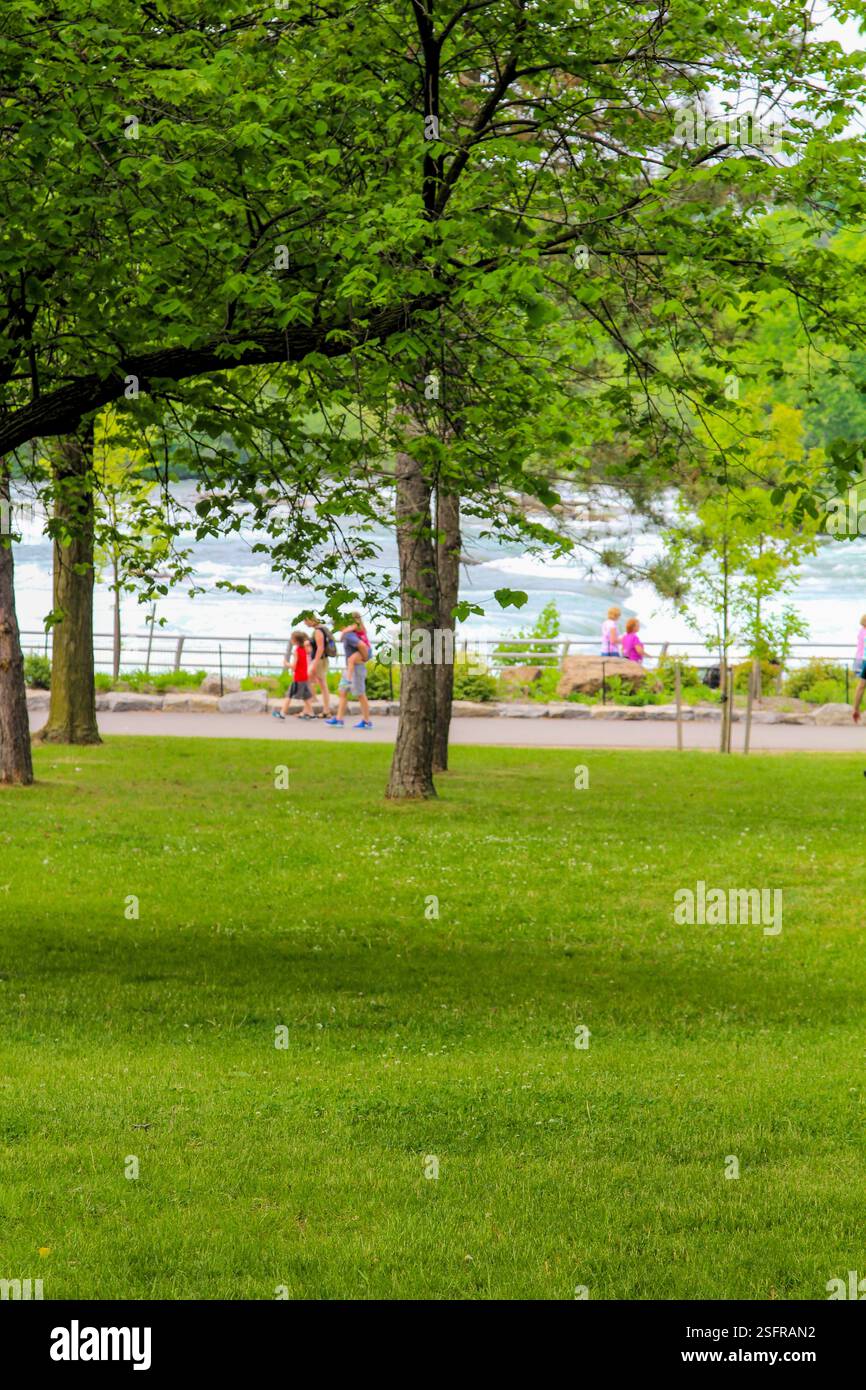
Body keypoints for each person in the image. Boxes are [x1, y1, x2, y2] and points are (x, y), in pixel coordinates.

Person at [325, 614, 372, 729]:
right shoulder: (348, 633)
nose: (334, 627)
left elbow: (361, 645)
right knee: (343, 692)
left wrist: (365, 658)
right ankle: (339, 719)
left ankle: (366, 721)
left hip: (356, 669)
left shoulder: (348, 635)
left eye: (334, 625)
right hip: (349, 669)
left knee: (360, 694)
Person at [273, 631, 315, 720]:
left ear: (295, 641)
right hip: (304, 676)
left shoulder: (297, 651)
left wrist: (286, 663)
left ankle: (282, 713)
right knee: (306, 697)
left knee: (289, 695)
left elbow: (294, 667)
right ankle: (311, 714)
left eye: (292, 639)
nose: (291, 640)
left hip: (298, 677)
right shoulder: (304, 649)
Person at [301, 611, 333, 719]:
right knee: (319, 684)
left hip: (318, 661)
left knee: (311, 682)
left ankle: (310, 710)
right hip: (320, 660)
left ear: (310, 619)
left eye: (305, 621)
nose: (305, 624)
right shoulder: (320, 628)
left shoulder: (318, 630)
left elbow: (320, 648)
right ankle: (320, 710)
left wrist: (314, 663)